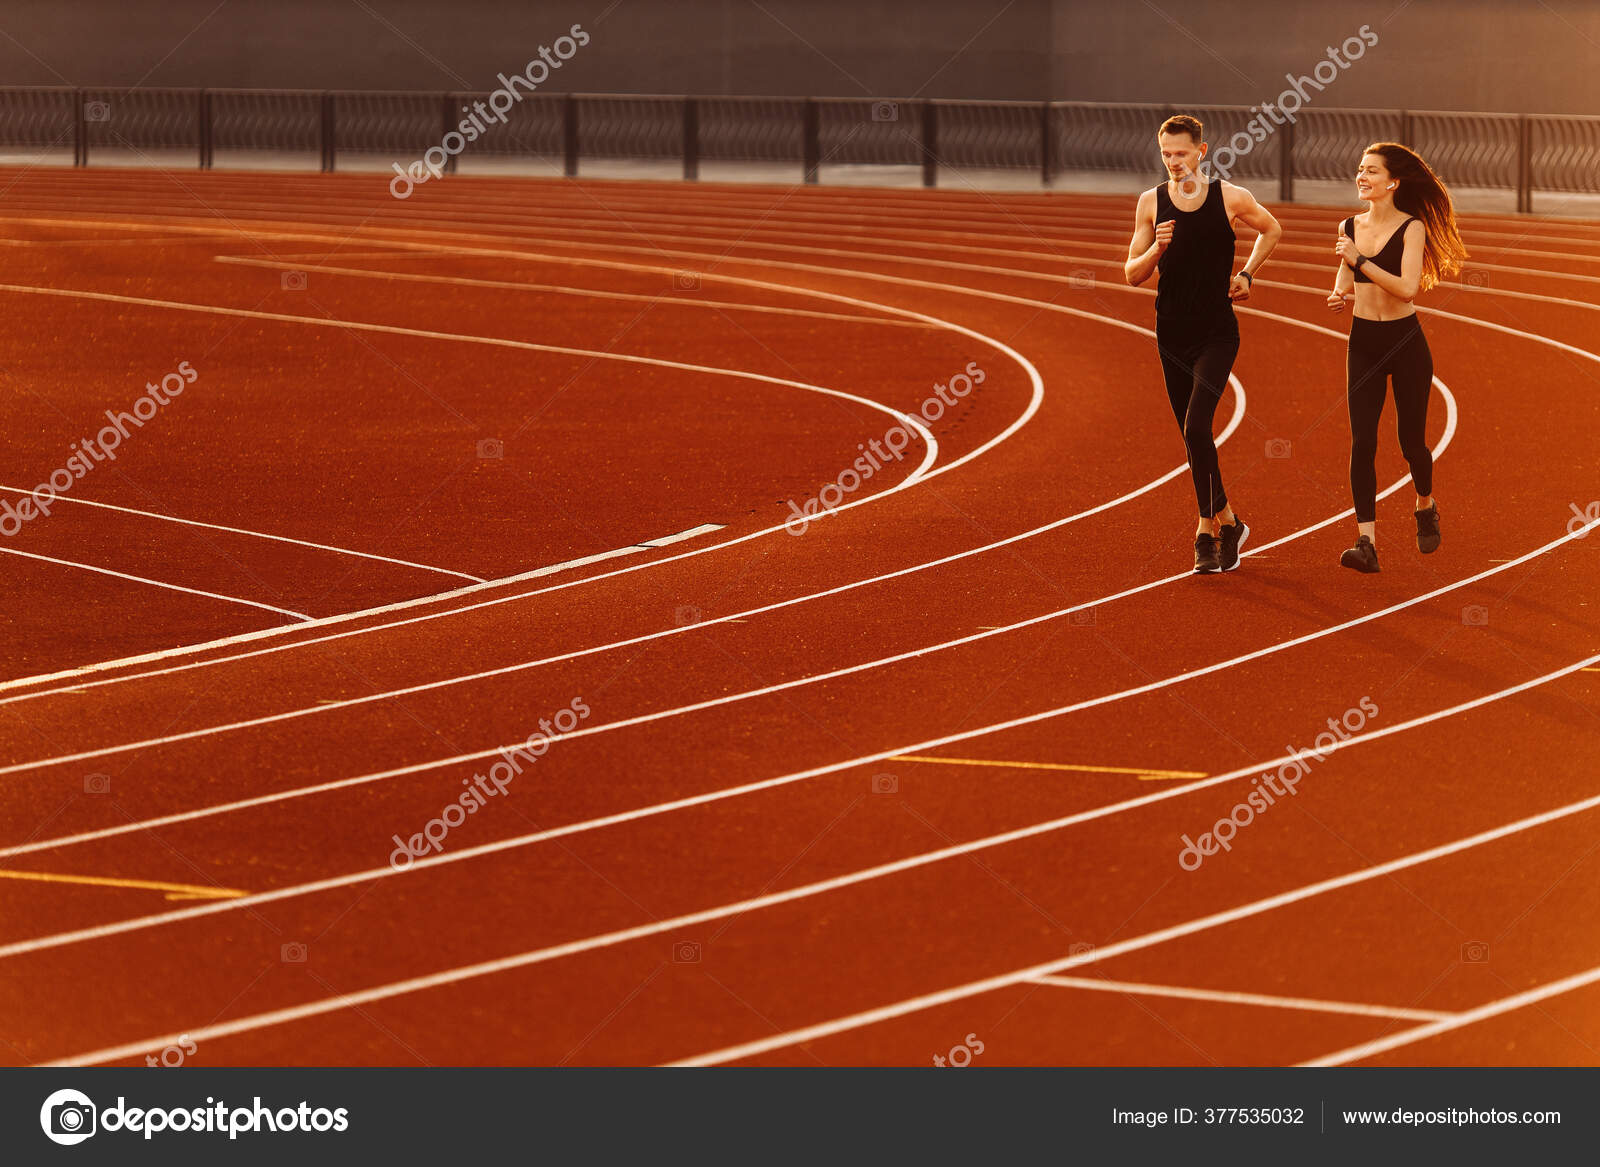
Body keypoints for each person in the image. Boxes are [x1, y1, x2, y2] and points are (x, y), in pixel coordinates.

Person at [1125, 115, 1282, 574]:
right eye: (1166, 154)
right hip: (1170, 331)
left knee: (1197, 428)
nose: (1173, 162)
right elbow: (1131, 275)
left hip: (1216, 331)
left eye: (1181, 153)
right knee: (1192, 438)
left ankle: (1203, 530)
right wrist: (1157, 248)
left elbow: (1272, 229)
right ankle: (1227, 522)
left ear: (1202, 152)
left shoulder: (1230, 197)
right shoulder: (1150, 203)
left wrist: (1248, 273)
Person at [1328, 141, 1467, 573]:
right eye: (1360, 169)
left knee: (1412, 443)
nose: (1362, 177)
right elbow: (1345, 279)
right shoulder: (1348, 226)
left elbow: (1408, 288)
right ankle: (1365, 541)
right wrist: (1338, 293)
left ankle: (1425, 504)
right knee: (1362, 442)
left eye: (1371, 171)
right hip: (1363, 341)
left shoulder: (1412, 229)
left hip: (1405, 343)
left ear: (1392, 182)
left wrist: (1360, 261)